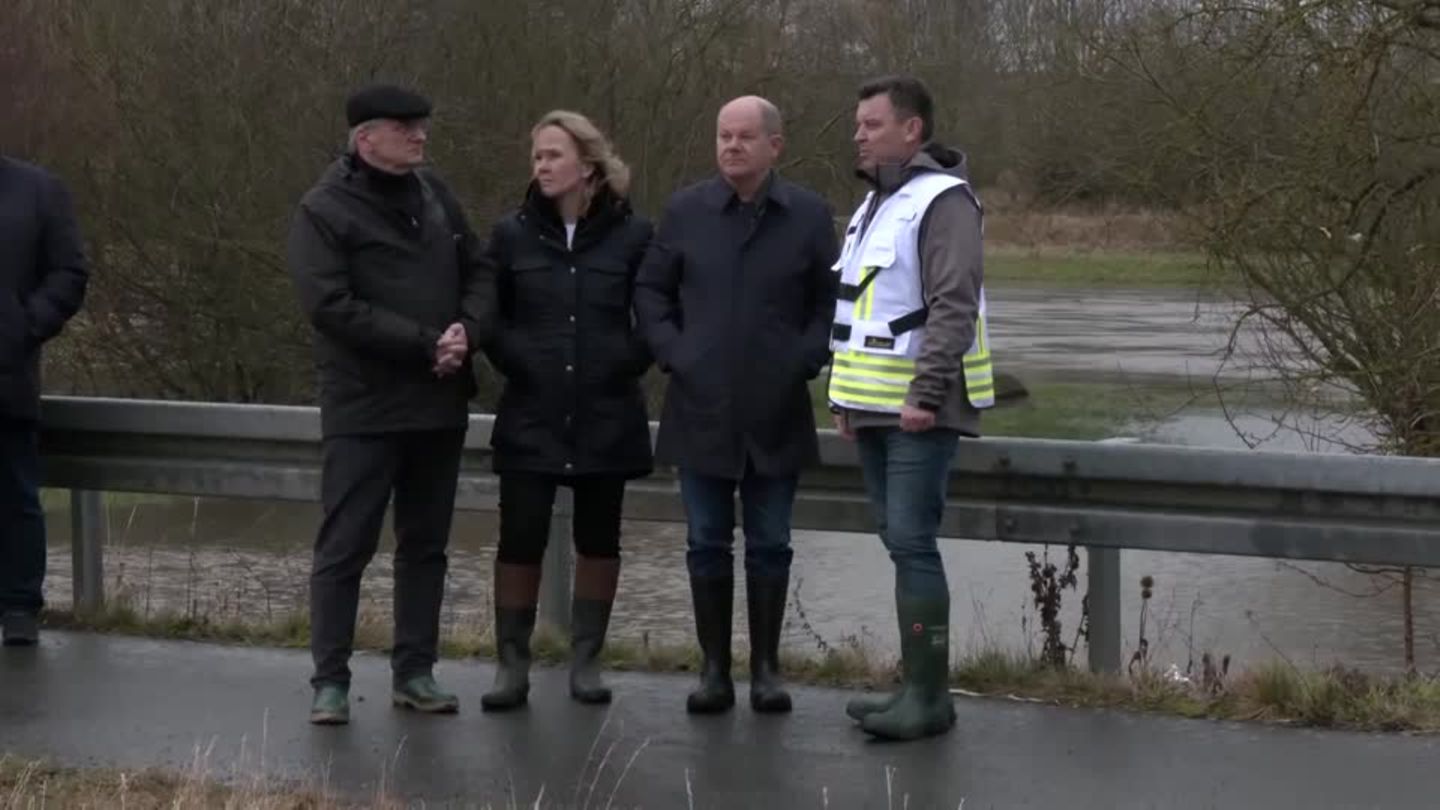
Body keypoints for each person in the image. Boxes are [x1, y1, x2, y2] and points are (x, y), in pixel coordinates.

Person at [286, 84, 496, 725]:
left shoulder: (436, 196)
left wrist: (467, 330)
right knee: (346, 545)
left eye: (422, 125)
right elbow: (330, 305)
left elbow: (482, 271)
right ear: (365, 138)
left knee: (425, 545)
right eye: (405, 127)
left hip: (437, 403)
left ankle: (415, 672)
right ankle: (330, 682)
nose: (420, 136)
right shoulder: (324, 210)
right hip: (364, 407)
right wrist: (423, 344)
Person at [635, 96, 838, 714]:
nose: (731, 146)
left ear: (775, 145)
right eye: (723, 135)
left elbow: (830, 303)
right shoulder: (686, 211)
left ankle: (768, 672)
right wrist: (675, 352)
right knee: (705, 541)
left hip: (776, 409)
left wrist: (802, 361)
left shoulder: (807, 215)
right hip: (700, 407)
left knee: (771, 541)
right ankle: (714, 672)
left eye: (745, 136)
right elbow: (649, 289)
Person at [829, 76, 992, 741]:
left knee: (913, 543)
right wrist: (843, 398)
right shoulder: (874, 207)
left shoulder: (942, 201)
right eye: (858, 125)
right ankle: (919, 692)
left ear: (911, 130)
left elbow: (953, 303)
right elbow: (863, 309)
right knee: (901, 543)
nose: (858, 135)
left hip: (916, 413)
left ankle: (927, 697)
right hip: (872, 410)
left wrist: (925, 395)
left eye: (871, 124)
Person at [478, 111, 654, 711]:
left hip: (607, 413)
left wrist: (623, 361)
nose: (542, 167)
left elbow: (653, 316)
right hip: (531, 413)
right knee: (519, 537)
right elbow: (488, 317)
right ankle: (512, 664)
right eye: (536, 157)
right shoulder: (511, 236)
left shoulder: (634, 236)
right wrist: (520, 359)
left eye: (553, 155)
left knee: (598, 537)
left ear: (588, 164)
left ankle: (586, 660)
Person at [0, 156, 88, 647]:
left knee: (14, 494)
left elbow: (69, 272)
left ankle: (18, 607)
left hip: (6, 376)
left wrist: (22, 328)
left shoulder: (37, 190)